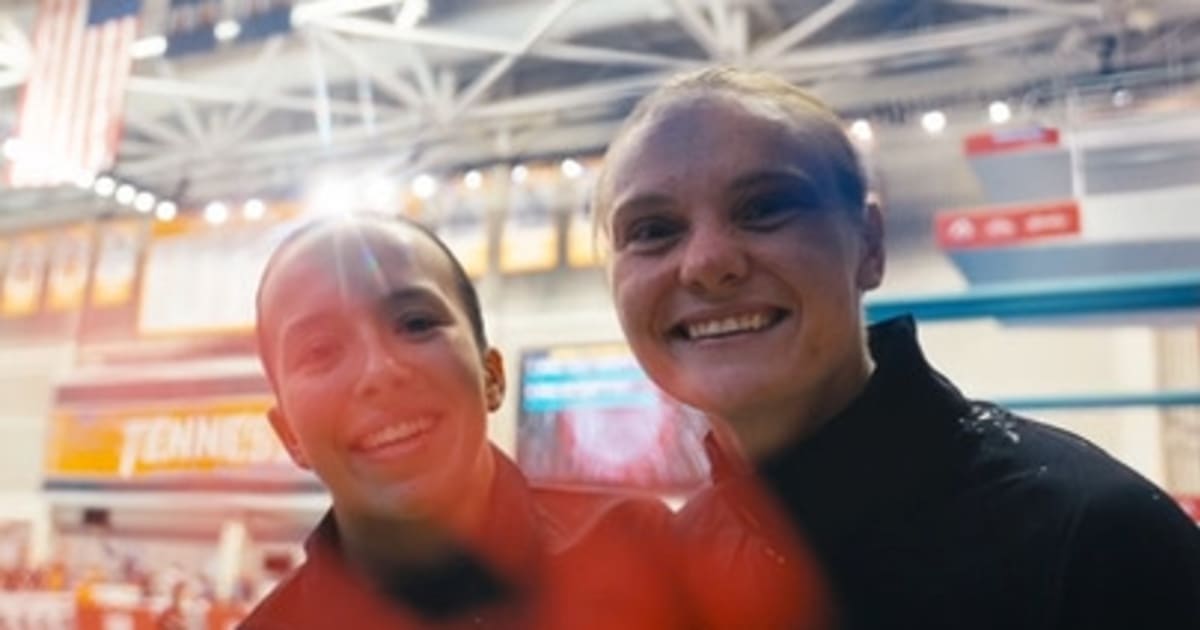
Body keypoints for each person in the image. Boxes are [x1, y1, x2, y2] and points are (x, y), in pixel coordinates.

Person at [593, 66, 1200, 629]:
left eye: (765, 208)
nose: (707, 263)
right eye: (652, 230)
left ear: (870, 246)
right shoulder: (683, 556)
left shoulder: (1093, 541)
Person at [243, 214, 695, 629]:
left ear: (492, 376)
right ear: (290, 437)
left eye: (416, 323)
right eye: (320, 351)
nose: (378, 371)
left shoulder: (648, 554)